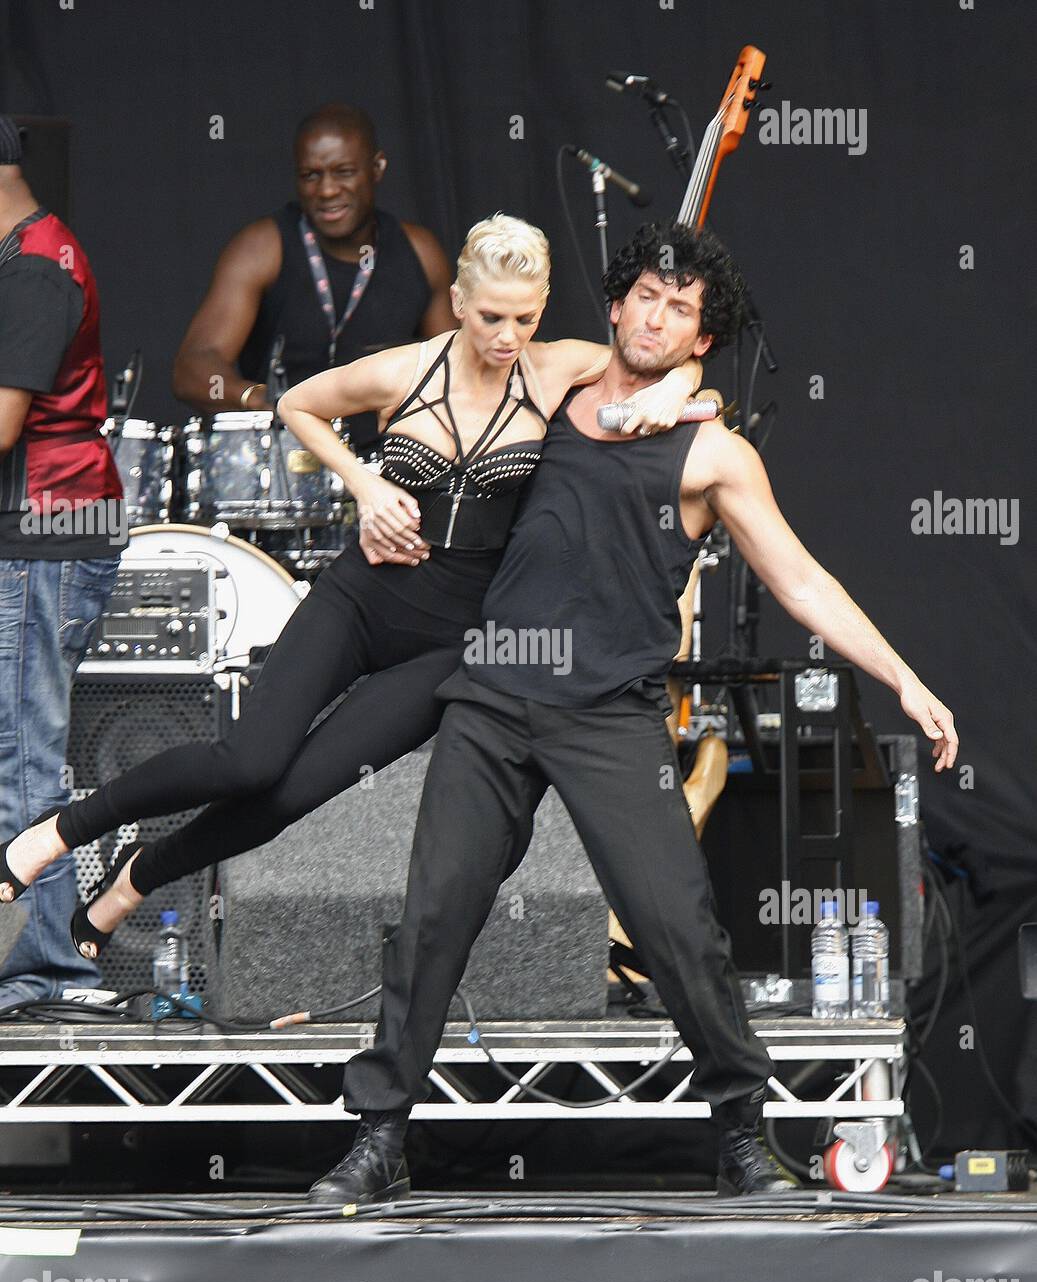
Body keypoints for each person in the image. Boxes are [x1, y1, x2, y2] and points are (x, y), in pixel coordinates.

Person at [310, 220, 959, 1202]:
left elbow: (801, 581)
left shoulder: (713, 454)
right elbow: (456, 372)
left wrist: (901, 676)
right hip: (491, 695)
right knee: (433, 911)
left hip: (607, 712)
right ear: (614, 305)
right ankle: (380, 1138)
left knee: (673, 925)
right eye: (645, 297)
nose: (657, 316)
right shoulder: (556, 384)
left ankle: (739, 1133)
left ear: (703, 338)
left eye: (681, 309)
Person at [0, 214, 703, 960]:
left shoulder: (559, 366)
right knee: (249, 762)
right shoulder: (404, 370)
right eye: (491, 316)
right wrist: (362, 482)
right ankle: (57, 835)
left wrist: (687, 386)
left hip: (449, 637)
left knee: (289, 800)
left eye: (524, 317)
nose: (506, 336)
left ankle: (136, 878)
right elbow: (297, 403)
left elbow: (667, 365)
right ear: (460, 301)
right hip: (363, 598)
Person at [0, 115, 125, 1009]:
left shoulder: (37, 268)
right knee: (17, 746)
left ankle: (43, 964)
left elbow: (2, 427)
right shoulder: (28, 255)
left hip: (45, 530)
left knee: (22, 752)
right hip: (43, 526)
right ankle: (39, 954)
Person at [172, 102, 457, 453]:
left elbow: (455, 368)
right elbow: (193, 368)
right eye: (311, 175)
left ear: (377, 168)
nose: (326, 191)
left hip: (388, 468)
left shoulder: (420, 252)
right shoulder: (262, 248)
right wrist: (257, 398)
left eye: (343, 172)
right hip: (284, 466)